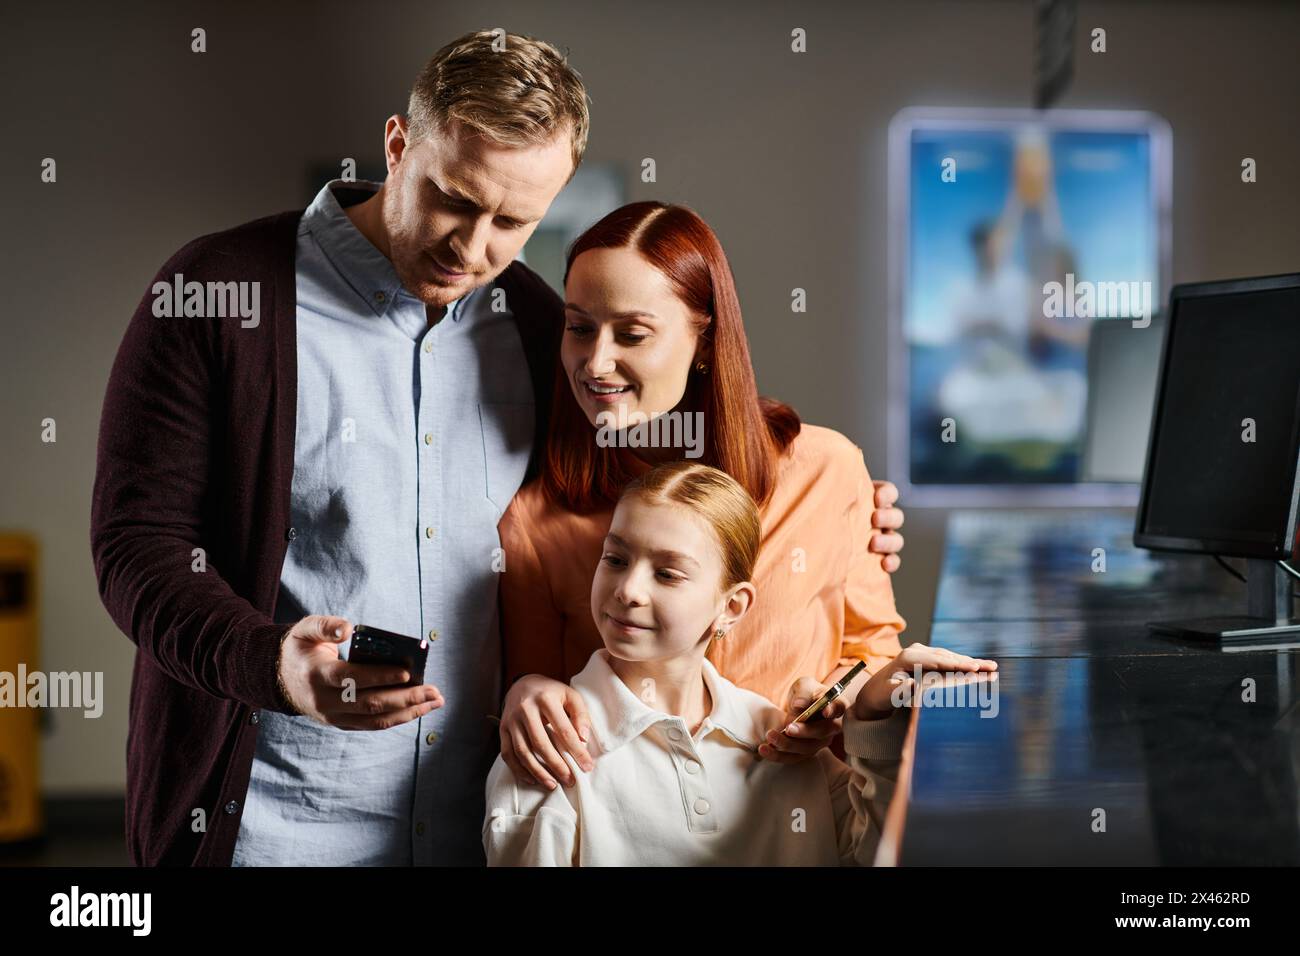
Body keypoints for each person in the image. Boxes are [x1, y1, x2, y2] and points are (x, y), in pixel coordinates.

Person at [90, 29, 905, 867]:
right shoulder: (218, 296)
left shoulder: (536, 325)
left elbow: (653, 427)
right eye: (453, 199)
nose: (472, 249)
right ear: (398, 144)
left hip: (476, 829)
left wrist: (834, 489)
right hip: (265, 828)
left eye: (514, 220)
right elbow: (135, 548)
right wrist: (272, 666)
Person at [496, 201, 909, 793]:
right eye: (580, 327)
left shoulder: (828, 471)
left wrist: (832, 702)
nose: (595, 362)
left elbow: (873, 652)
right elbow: (534, 689)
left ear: (706, 340)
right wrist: (524, 694)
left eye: (633, 334)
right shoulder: (537, 520)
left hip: (799, 826)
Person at [484, 461, 995, 865]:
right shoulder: (547, 751)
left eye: (667, 573)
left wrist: (877, 721)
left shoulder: (782, 740)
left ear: (731, 607)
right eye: (615, 559)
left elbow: (873, 855)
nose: (627, 591)